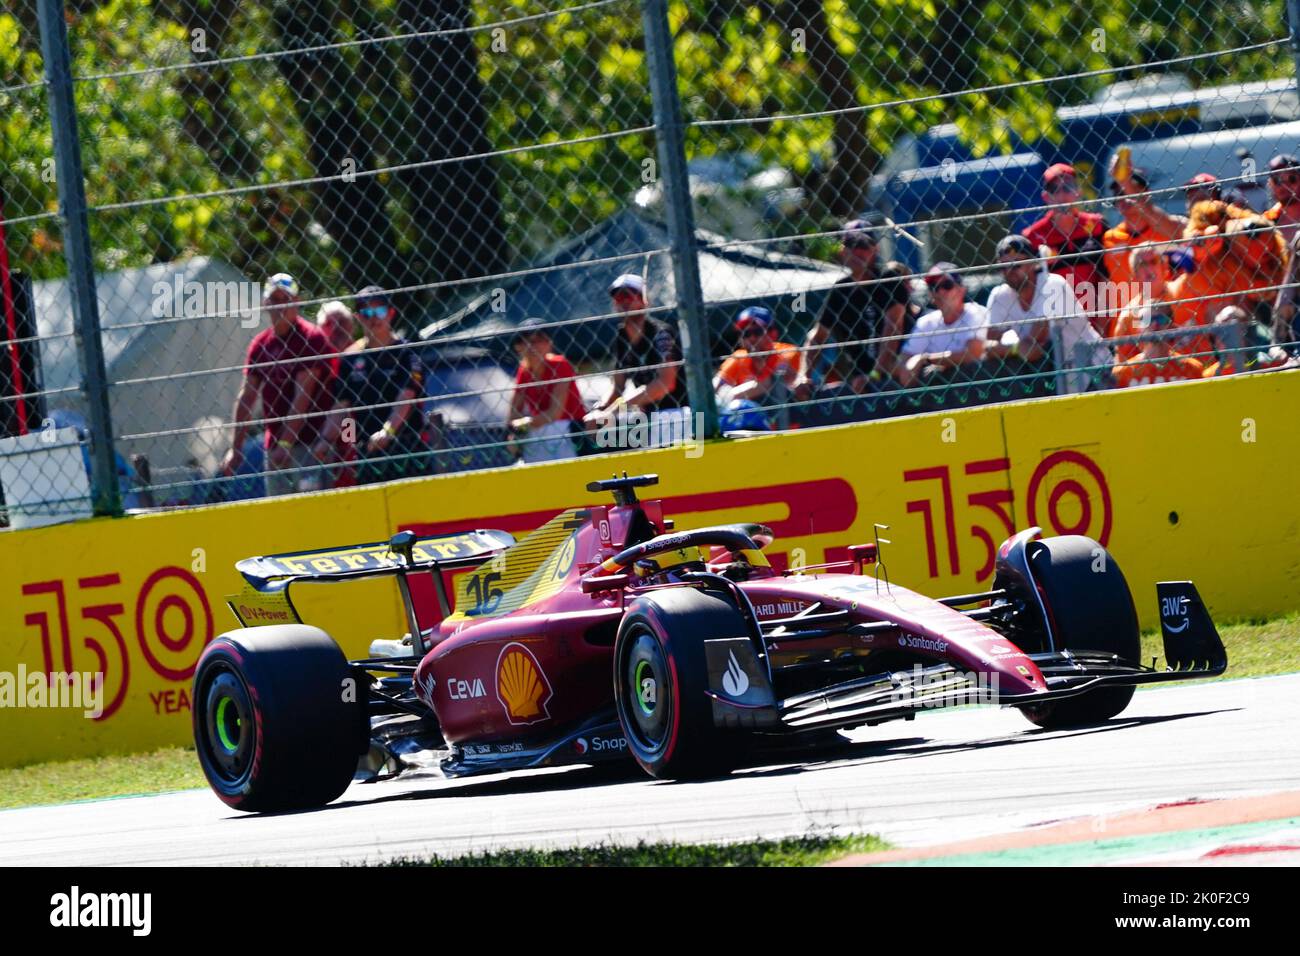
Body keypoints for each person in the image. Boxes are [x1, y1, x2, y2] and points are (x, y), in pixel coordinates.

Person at [223, 273, 331, 496]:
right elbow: (247, 395)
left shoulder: (311, 338)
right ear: (265, 304)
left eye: (286, 299)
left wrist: (286, 444)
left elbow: (303, 395)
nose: (280, 305)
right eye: (275, 299)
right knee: (281, 513)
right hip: (274, 447)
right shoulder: (261, 345)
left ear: (297, 302)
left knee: (313, 512)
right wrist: (236, 448)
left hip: (310, 445)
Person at [313, 285, 427, 485]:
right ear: (358, 317)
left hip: (407, 447)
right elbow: (342, 407)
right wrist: (326, 440)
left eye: (379, 311)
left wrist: (388, 431)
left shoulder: (406, 353)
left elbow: (406, 396)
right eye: (366, 312)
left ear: (391, 313)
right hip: (367, 451)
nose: (373, 317)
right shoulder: (349, 358)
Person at [985, 234, 1111, 395]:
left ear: (1032, 263)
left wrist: (1005, 346)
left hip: (1094, 371)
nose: (1010, 271)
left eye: (1016, 264)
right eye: (1003, 267)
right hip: (1055, 381)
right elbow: (986, 345)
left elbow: (1036, 345)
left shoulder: (1053, 284)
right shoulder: (1000, 295)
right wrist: (1016, 347)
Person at [796, 219, 909, 393]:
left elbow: (893, 328)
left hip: (895, 377)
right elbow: (818, 336)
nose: (857, 251)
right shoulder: (841, 290)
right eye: (850, 244)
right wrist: (804, 375)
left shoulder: (889, 280)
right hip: (857, 380)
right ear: (842, 250)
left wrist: (875, 374)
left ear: (875, 249)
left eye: (863, 245)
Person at [587, 273, 690, 446]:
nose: (623, 301)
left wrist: (613, 410)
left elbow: (666, 383)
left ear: (644, 300)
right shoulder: (621, 338)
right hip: (647, 416)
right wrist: (600, 410)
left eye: (629, 295)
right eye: (618, 297)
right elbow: (617, 386)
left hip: (677, 411)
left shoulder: (661, 334)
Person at [1021, 163, 1108, 322]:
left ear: (1078, 192)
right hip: (1056, 320)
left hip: (1097, 315)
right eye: (1054, 189)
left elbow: (1107, 276)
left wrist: (1102, 320)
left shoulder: (1097, 225)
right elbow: (1031, 288)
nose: (1061, 195)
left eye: (1068, 187)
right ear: (1046, 197)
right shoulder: (1032, 236)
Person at [1102, 167, 1181, 317]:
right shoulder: (1110, 238)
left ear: (1145, 195)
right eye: (1118, 194)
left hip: (1164, 318)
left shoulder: (1164, 231)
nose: (1123, 198)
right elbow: (1107, 284)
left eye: (1128, 192)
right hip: (1126, 321)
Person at [896, 264, 988, 391]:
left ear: (961, 289)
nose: (940, 291)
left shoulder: (976, 312)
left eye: (947, 285)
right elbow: (905, 370)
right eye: (934, 287)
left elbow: (974, 354)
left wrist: (926, 359)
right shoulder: (926, 322)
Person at [1108, 243, 1203, 364]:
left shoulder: (1187, 288)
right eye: (1142, 264)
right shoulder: (1129, 316)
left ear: (1164, 267)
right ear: (1134, 275)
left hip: (1198, 373)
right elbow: (1122, 364)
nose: (1149, 268)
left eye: (1154, 261)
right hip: (1157, 379)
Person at [507, 318, 586, 463]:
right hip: (539, 430)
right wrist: (516, 432)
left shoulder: (560, 365)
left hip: (569, 429)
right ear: (518, 346)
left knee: (546, 431)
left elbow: (554, 413)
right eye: (527, 341)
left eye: (540, 340)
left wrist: (522, 424)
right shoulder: (524, 371)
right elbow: (513, 414)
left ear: (550, 343)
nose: (533, 346)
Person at [714, 306, 801, 403]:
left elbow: (771, 383)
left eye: (758, 332)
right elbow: (715, 386)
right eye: (745, 334)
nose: (751, 339)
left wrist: (728, 396)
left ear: (773, 334)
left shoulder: (788, 353)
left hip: (783, 413)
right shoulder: (739, 357)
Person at [1110, 306, 1205, 388]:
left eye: (1161, 319)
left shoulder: (1193, 368)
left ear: (1171, 326)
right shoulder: (1122, 374)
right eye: (1147, 320)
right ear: (1139, 328)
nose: (1155, 325)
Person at [1202, 306, 1291, 377]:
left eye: (1237, 331)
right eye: (1222, 333)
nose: (1228, 340)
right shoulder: (1211, 375)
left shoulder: (1268, 365)